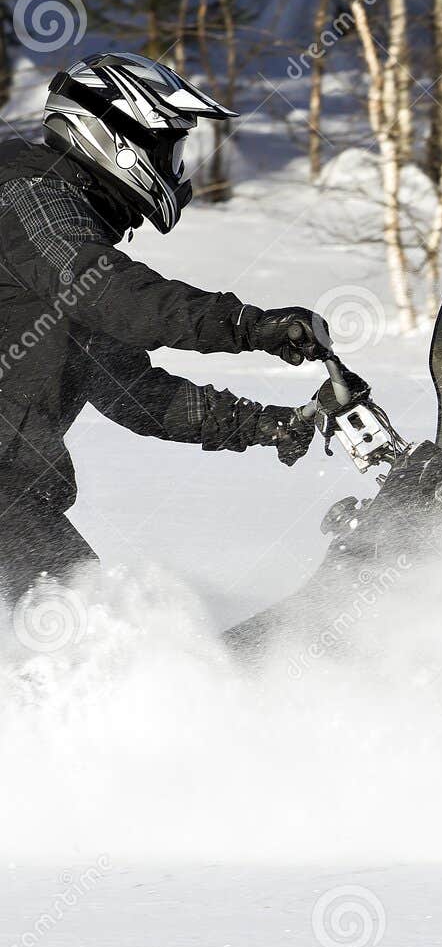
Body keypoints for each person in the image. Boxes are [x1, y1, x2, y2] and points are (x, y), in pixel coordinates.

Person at [0, 51, 331, 602]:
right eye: (166, 149)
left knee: (79, 621)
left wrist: (263, 424)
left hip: (15, 493)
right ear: (117, 139)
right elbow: (117, 296)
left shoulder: (57, 236)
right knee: (83, 622)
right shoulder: (32, 201)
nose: (173, 169)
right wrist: (248, 326)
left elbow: (131, 391)